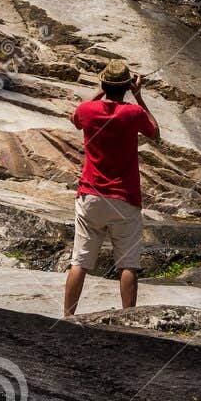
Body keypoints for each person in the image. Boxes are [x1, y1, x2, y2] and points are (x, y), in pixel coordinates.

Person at [63, 59, 158, 317]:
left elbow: (75, 118)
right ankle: (128, 319)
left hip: (91, 195)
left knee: (79, 262)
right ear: (127, 87)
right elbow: (155, 132)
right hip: (124, 198)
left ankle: (68, 317)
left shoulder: (87, 110)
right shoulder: (133, 113)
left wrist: (101, 90)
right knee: (127, 265)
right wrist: (138, 95)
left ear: (103, 83)